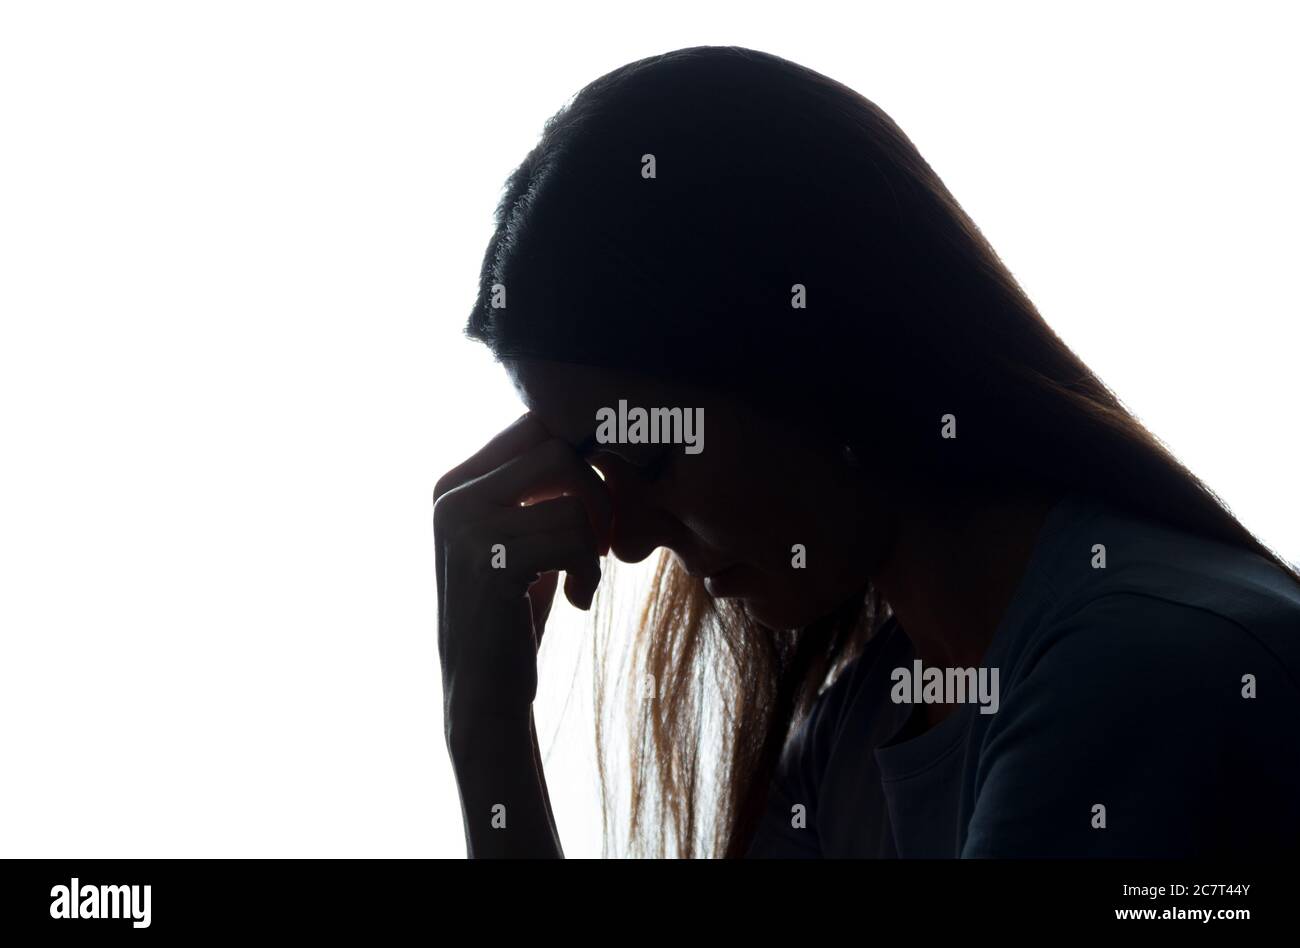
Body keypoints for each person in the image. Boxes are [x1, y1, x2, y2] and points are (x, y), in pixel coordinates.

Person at [433, 46, 1300, 858]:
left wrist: (484, 724)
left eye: (652, 454)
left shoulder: (1134, 682)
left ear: (816, 356)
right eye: (594, 468)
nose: (623, 542)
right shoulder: (867, 723)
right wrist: (486, 720)